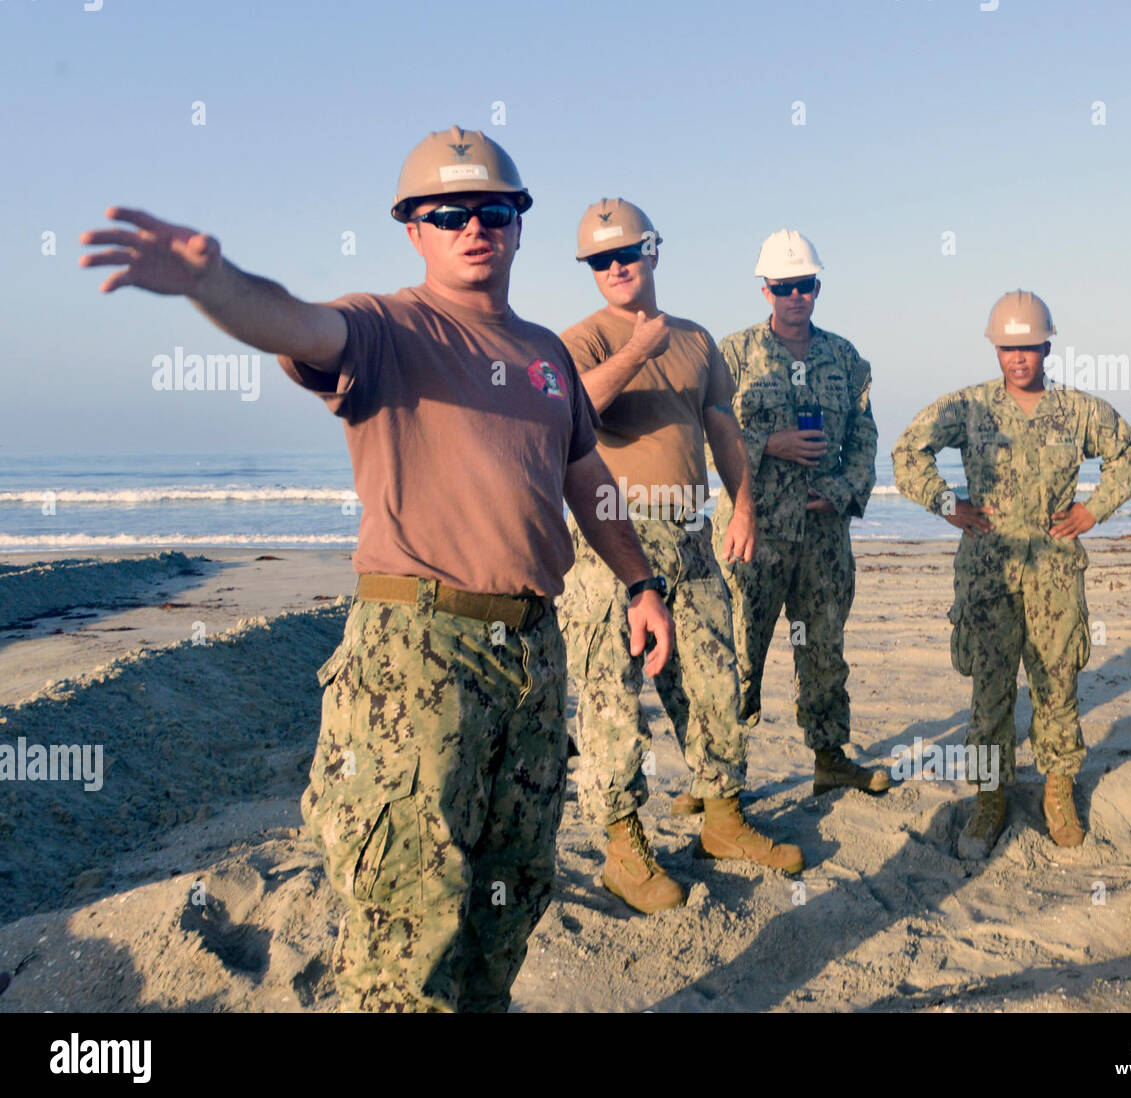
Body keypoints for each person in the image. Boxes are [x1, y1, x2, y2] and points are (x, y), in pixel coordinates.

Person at [79, 127, 674, 1011]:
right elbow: (297, 323)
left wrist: (639, 581)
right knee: (410, 909)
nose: (474, 226)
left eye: (494, 210)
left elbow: (585, 480)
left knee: (509, 898)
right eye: (449, 213)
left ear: (518, 223)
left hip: (533, 653)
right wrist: (216, 284)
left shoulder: (548, 353)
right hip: (418, 654)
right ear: (414, 229)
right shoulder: (387, 327)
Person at [558, 199, 802, 916]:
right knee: (611, 692)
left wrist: (745, 504)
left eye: (628, 252)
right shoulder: (579, 340)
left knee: (712, 678)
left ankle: (723, 816)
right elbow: (577, 411)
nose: (616, 267)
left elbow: (721, 428)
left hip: (690, 532)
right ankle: (622, 846)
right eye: (601, 259)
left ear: (654, 251)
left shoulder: (697, 341)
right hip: (610, 533)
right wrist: (638, 346)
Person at [892, 291, 1131, 859]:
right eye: (1008, 347)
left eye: (1028, 346)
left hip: (1054, 571)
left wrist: (1093, 510)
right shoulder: (971, 408)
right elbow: (909, 451)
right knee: (989, 691)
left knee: (1057, 687)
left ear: (1046, 345)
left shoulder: (1075, 410)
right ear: (995, 348)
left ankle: (1058, 791)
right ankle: (989, 798)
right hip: (988, 571)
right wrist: (946, 503)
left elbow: (1128, 450)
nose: (1018, 358)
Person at [714, 230, 890, 796]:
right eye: (785, 287)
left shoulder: (845, 358)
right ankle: (718, 776)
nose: (796, 297)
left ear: (817, 289)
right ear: (766, 290)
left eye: (806, 287)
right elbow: (707, 432)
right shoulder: (732, 356)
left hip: (822, 535)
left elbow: (865, 437)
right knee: (739, 651)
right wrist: (770, 443)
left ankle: (829, 756)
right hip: (755, 530)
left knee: (823, 647)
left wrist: (843, 490)